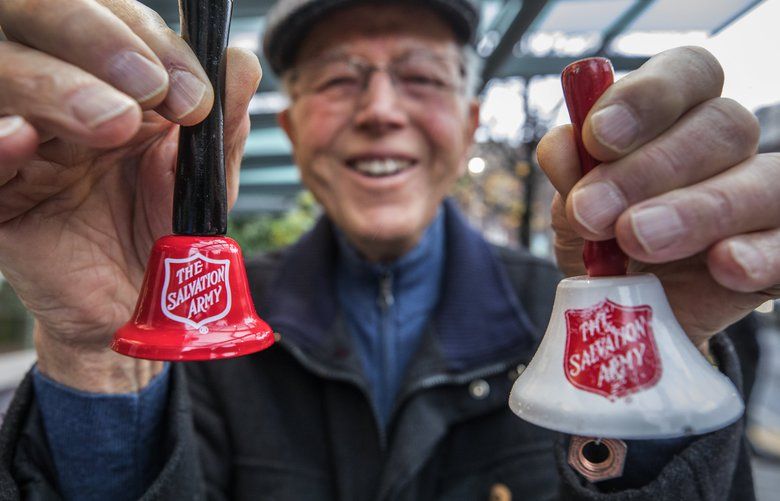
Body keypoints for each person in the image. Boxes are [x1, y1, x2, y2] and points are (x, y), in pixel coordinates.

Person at [0, 0, 775, 498]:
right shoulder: (190, 331)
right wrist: (102, 351)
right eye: (340, 79)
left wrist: (655, 367)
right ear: (294, 131)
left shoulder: (575, 318)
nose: (379, 110)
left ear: (470, 125)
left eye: (419, 76)